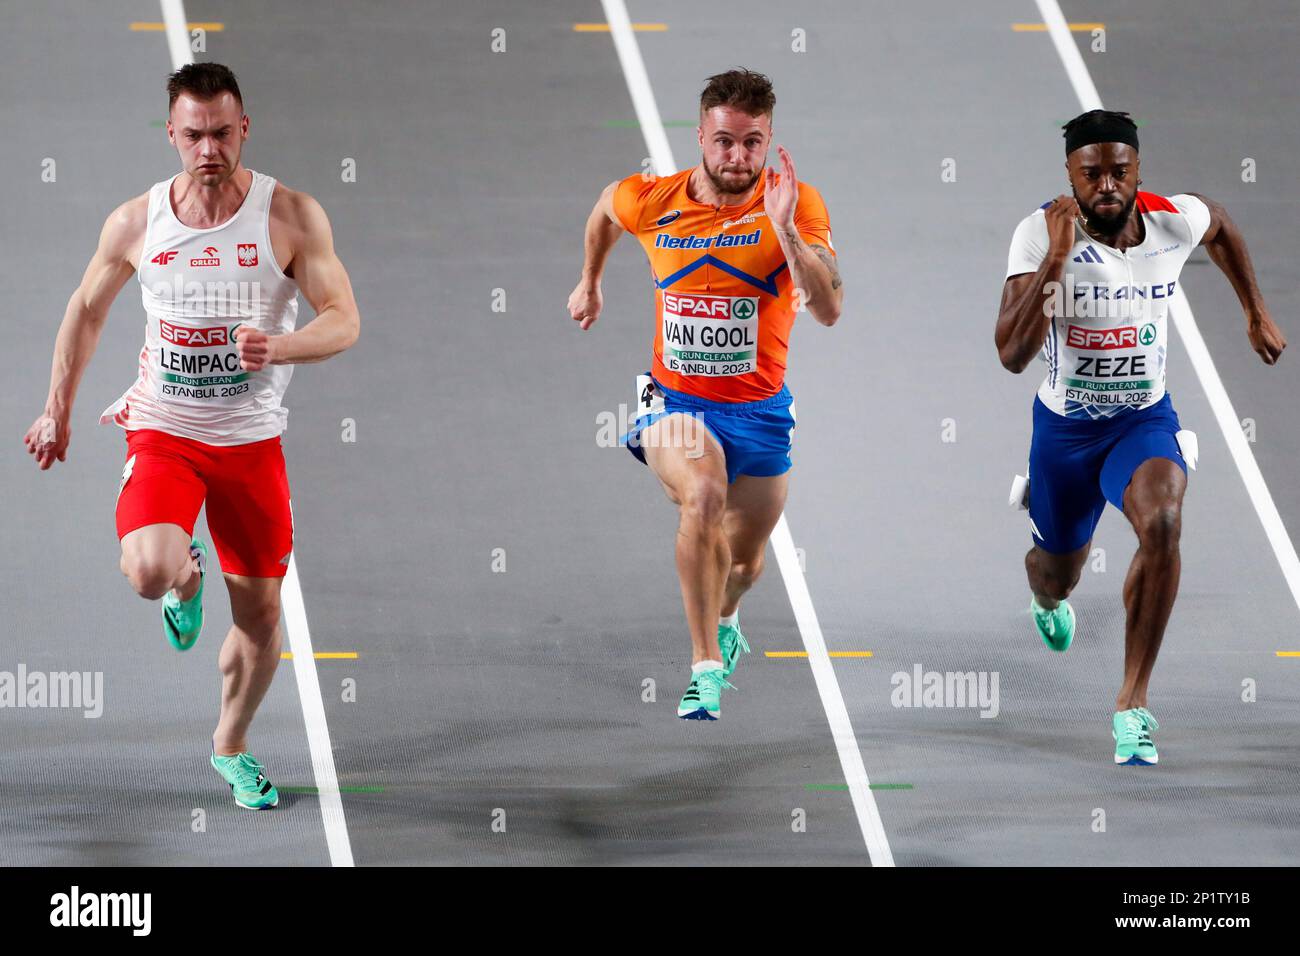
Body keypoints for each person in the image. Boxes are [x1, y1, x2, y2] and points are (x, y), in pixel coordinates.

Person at [23, 62, 360, 807]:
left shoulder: (291, 217)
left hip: (249, 441)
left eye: (221, 132)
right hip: (164, 431)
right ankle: (184, 576)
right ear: (172, 136)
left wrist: (283, 346)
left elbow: (344, 318)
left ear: (244, 129)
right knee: (147, 569)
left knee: (262, 617)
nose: (209, 148)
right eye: (193, 135)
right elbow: (86, 310)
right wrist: (58, 409)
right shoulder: (136, 224)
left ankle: (230, 745)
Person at [995, 109, 1285, 765]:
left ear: (1137, 171)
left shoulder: (1172, 220)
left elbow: (1222, 227)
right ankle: (1045, 593)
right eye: (1090, 173)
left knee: (1162, 522)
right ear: (1070, 176)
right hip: (1066, 434)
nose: (1106, 185)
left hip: (1142, 420)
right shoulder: (1038, 235)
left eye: (1118, 171)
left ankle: (1132, 704)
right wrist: (1059, 260)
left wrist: (1255, 311)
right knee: (1057, 573)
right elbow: (1012, 353)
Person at [568, 68, 842, 720]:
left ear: (769, 140)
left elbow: (829, 309)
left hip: (761, 412)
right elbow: (607, 206)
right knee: (703, 495)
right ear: (699, 136)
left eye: (753, 143)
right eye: (724, 142)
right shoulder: (656, 199)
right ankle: (704, 666)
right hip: (677, 404)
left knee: (744, 565)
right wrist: (590, 281)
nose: (737, 158)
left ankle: (725, 616)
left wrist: (787, 233)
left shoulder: (796, 203)